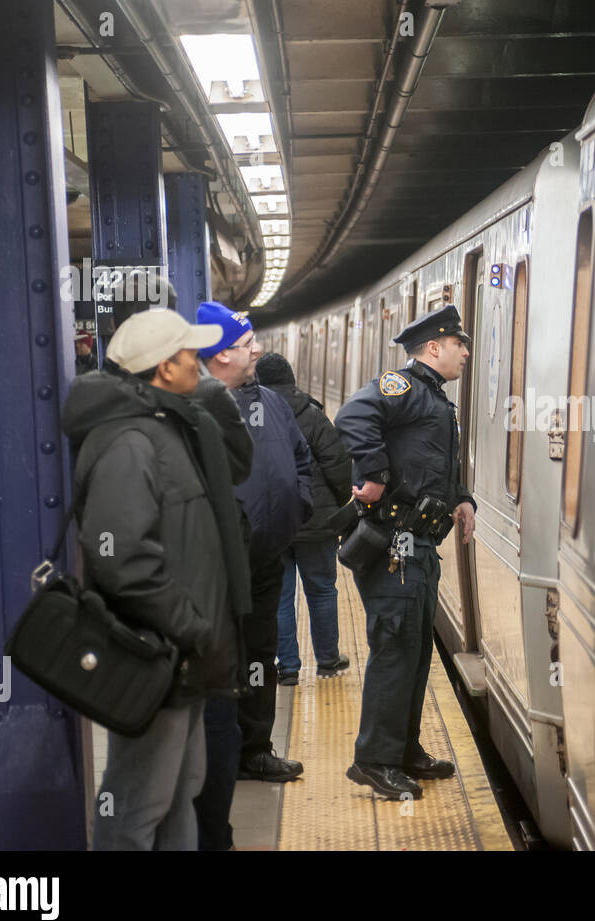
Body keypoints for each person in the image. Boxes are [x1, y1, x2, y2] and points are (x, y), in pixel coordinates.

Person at [61, 309, 247, 850]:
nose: (200, 365)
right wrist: (190, 626)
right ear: (165, 368)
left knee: (179, 792)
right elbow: (120, 558)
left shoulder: (162, 427)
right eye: (191, 355)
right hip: (157, 654)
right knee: (137, 804)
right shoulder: (129, 442)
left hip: (184, 655)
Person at [335, 304, 476, 799]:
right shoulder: (404, 388)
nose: (465, 352)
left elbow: (433, 462)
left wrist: (461, 498)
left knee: (415, 654)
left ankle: (405, 749)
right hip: (395, 544)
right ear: (434, 347)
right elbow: (352, 414)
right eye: (460, 344)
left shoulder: (434, 399)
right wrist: (372, 474)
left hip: (418, 547)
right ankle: (374, 760)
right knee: (395, 652)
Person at [196, 302, 311, 792]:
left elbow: (302, 459)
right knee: (222, 658)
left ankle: (255, 749)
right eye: (246, 344)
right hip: (217, 566)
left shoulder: (272, 402)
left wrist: (297, 506)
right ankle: (215, 752)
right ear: (220, 355)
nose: (257, 350)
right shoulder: (195, 407)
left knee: (261, 656)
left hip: (266, 557)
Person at [255, 353, 353, 686]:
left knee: (281, 596)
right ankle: (327, 661)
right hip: (317, 522)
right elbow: (339, 467)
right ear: (292, 379)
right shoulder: (313, 415)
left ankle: (288, 668)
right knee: (322, 590)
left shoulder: (253, 416)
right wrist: (335, 508)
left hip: (273, 524)